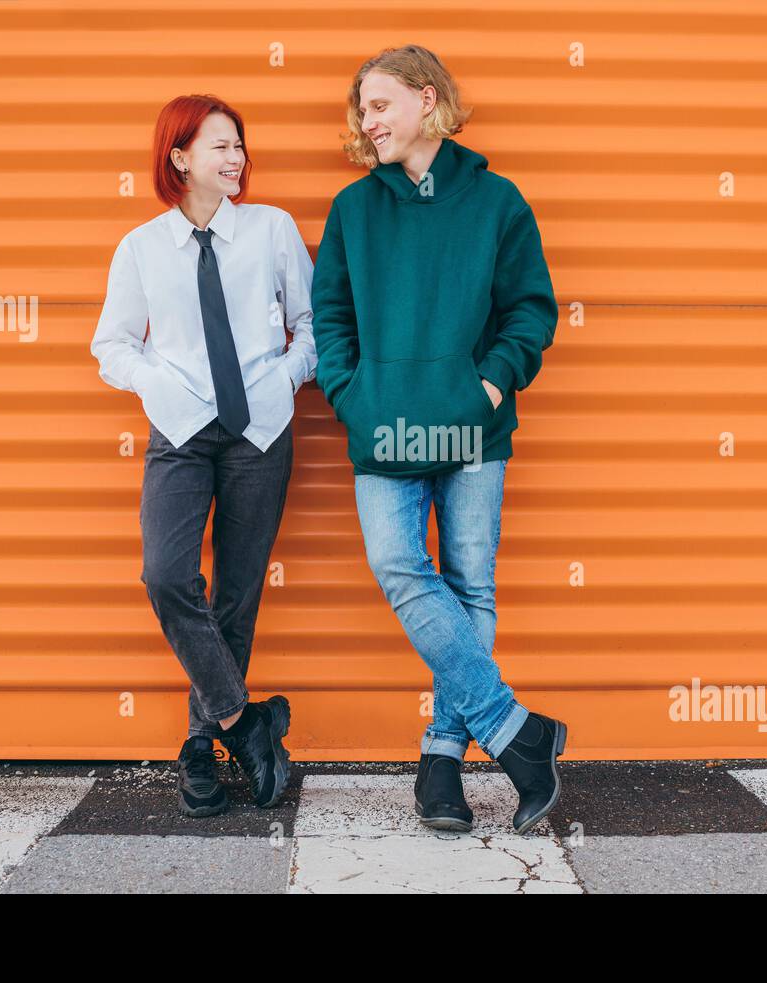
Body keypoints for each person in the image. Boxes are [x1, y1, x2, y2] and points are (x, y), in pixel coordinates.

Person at [311, 46, 567, 835]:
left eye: (380, 105)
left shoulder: (498, 202)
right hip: (383, 423)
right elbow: (332, 320)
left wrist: (486, 384)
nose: (368, 121)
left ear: (428, 100)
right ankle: (519, 734)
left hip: (472, 425)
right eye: (363, 110)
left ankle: (443, 763)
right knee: (398, 563)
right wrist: (354, 397)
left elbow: (531, 308)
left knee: (470, 583)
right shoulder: (354, 209)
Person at [90, 94, 316, 817]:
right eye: (219, 145)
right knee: (165, 573)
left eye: (240, 146)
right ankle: (247, 724)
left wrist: (283, 380)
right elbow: (111, 346)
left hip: (259, 430)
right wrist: (156, 382)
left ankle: (199, 746)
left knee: (236, 596)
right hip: (180, 433)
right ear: (179, 156)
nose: (236, 158)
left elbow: (313, 329)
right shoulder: (142, 247)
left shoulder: (273, 231)